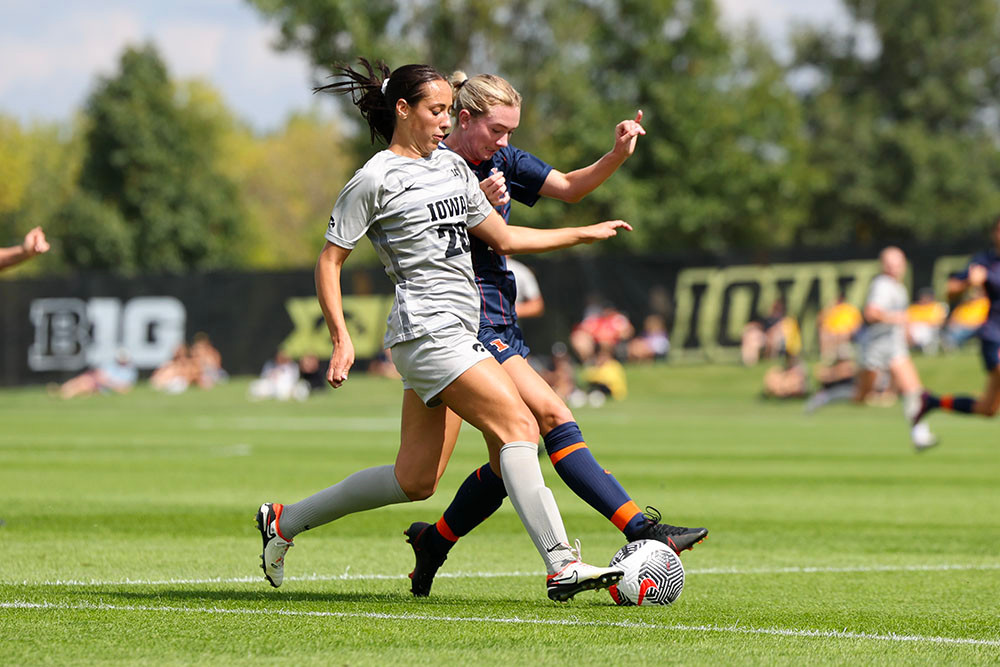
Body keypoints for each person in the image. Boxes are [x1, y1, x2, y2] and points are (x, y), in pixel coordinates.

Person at [255, 59, 632, 602]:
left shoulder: (453, 167)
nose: (445, 121)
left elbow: (504, 238)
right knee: (520, 426)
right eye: (436, 110)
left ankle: (284, 521)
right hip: (428, 331)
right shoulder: (375, 178)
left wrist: (581, 233)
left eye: (449, 111)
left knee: (415, 480)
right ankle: (561, 564)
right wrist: (340, 337)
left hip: (456, 331)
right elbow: (330, 261)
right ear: (403, 110)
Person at [401, 71, 706, 598]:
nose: (505, 142)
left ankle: (434, 542)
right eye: (497, 130)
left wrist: (616, 155)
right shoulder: (434, 167)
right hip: (465, 318)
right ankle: (640, 529)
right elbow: (474, 238)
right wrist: (479, 206)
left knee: (501, 464)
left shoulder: (503, 160)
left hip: (501, 315)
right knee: (552, 416)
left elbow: (569, 187)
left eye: (511, 132)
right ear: (464, 119)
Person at [806, 247, 937, 448]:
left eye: (898, 263)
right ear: (883, 265)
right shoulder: (881, 285)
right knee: (861, 396)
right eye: (890, 264)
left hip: (894, 347)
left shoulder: (899, 287)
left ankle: (920, 435)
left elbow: (900, 319)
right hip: (875, 348)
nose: (895, 268)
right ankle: (826, 396)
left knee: (913, 390)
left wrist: (907, 330)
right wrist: (897, 318)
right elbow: (871, 313)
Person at [913, 217, 1000, 440]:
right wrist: (969, 282)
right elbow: (950, 291)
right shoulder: (984, 261)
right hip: (995, 335)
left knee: (987, 409)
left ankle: (933, 402)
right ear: (994, 233)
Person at [53, 349, 137, 399]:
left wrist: (107, 382)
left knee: (86, 382)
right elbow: (101, 374)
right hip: (101, 383)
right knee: (84, 379)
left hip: (105, 387)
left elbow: (125, 387)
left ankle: (66, 394)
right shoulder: (112, 366)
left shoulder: (129, 371)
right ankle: (62, 390)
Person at [905, 288, 948, 355]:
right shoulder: (913, 308)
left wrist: (923, 323)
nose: (925, 299)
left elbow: (939, 322)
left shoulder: (936, 307)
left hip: (929, 329)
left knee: (921, 331)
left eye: (927, 297)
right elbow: (907, 320)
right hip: (911, 328)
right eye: (923, 297)